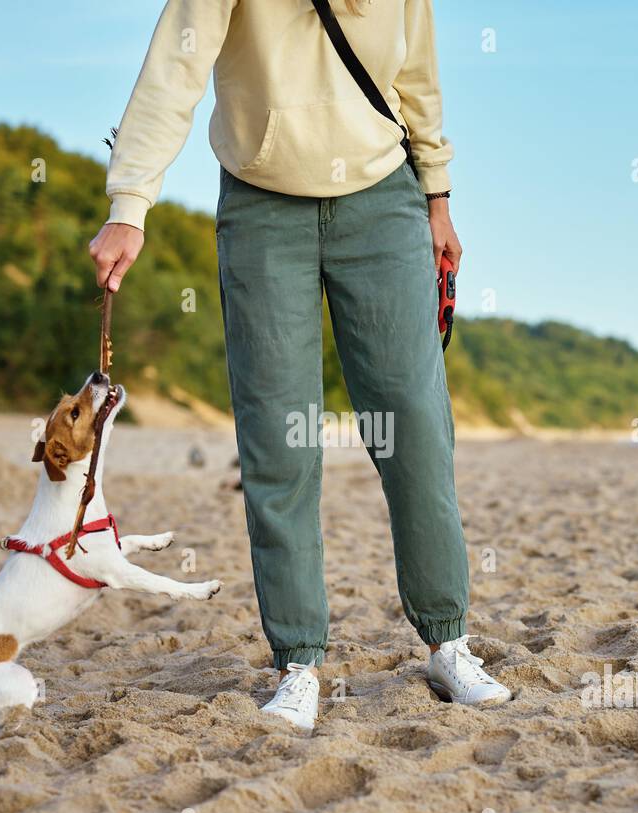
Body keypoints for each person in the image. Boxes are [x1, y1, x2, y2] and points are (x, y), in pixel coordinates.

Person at [89, 0, 510, 732]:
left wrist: (437, 197)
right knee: (280, 440)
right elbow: (174, 70)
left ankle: (448, 642)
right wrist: (131, 202)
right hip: (261, 207)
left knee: (413, 424)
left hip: (383, 202)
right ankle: (299, 663)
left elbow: (417, 77)